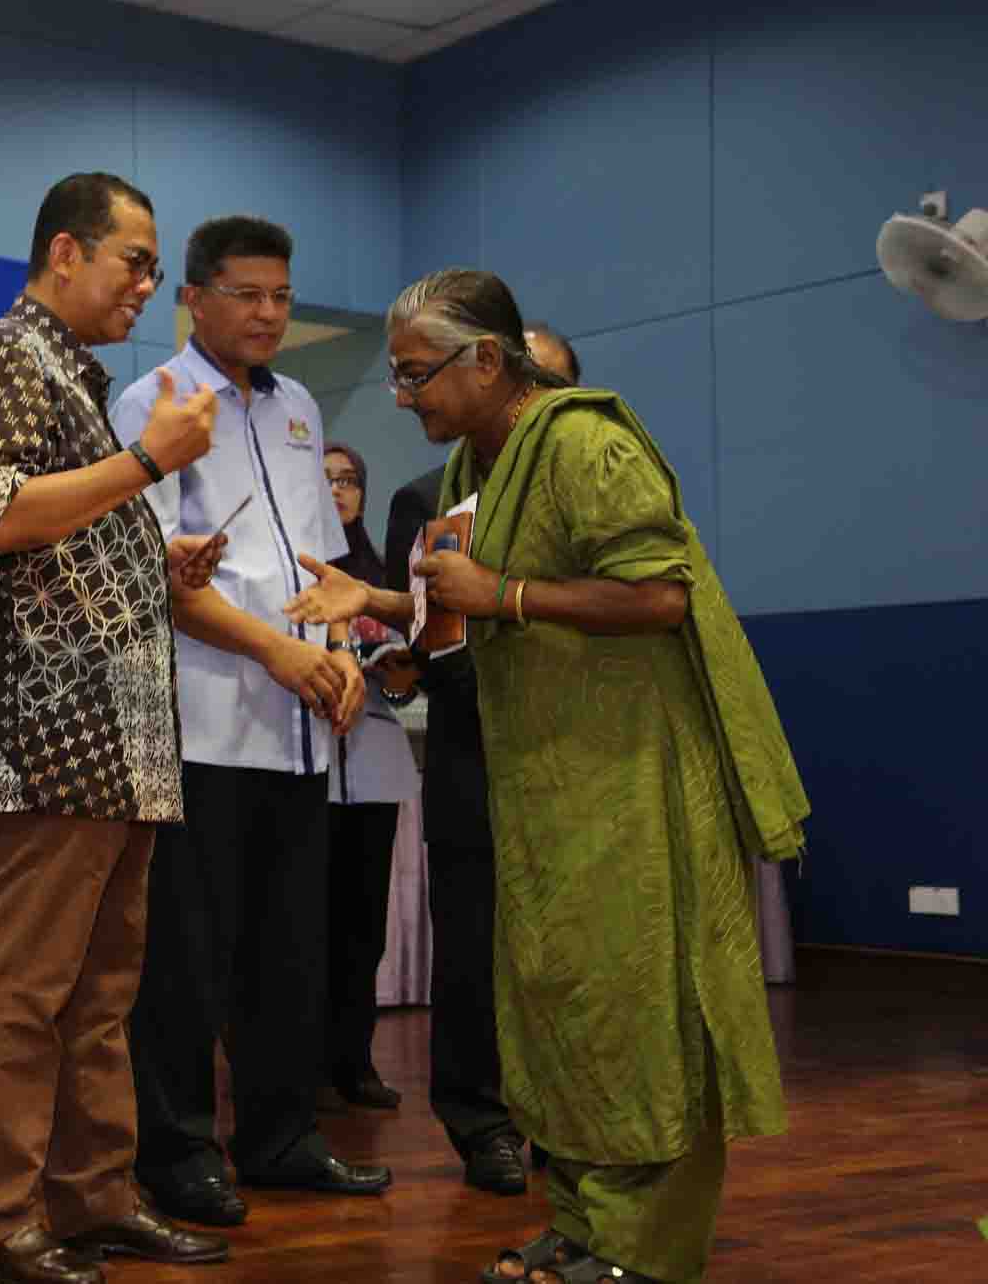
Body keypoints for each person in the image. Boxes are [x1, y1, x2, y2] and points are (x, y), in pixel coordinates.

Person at [293, 269, 806, 1284]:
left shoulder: (585, 442)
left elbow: (659, 594)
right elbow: (462, 614)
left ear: (485, 359)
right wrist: (390, 613)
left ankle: (638, 1247)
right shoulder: (464, 471)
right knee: (553, 1005)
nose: (401, 397)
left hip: (626, 775)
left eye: (413, 375)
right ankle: (578, 1222)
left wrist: (505, 592)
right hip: (536, 781)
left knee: (629, 1010)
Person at [0, 173, 232, 1284]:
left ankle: (91, 1195)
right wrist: (151, 461)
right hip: (46, 728)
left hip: (115, 734)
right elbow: (0, 513)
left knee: (104, 989)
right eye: (133, 262)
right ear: (64, 253)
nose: (147, 286)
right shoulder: (4, 355)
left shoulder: (73, 372)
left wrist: (146, 556)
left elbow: (64, 532)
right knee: (26, 989)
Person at [108, 216, 388, 1235]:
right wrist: (278, 652)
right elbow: (156, 576)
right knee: (187, 955)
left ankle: (280, 1137)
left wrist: (344, 654)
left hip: (302, 721)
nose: (268, 313)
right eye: (246, 294)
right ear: (193, 298)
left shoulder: (301, 407)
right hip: (201, 724)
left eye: (280, 295)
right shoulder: (152, 403)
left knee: (288, 946)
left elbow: (323, 567)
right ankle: (176, 1153)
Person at [379, 322, 580, 1196]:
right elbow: (427, 640)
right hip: (472, 754)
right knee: (474, 954)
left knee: (573, 956)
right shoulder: (425, 496)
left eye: (555, 383)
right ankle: (481, 1123)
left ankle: (571, 1122)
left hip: (576, 753)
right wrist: (413, 645)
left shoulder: (590, 486)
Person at [316, 442, 419, 1116]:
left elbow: (411, 683)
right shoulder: (292, 566)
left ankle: (354, 1062)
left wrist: (400, 672)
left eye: (350, 478)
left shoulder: (381, 576)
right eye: (325, 479)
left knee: (362, 927)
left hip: (374, 768)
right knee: (304, 923)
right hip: (308, 769)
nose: (339, 490)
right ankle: (296, 1066)